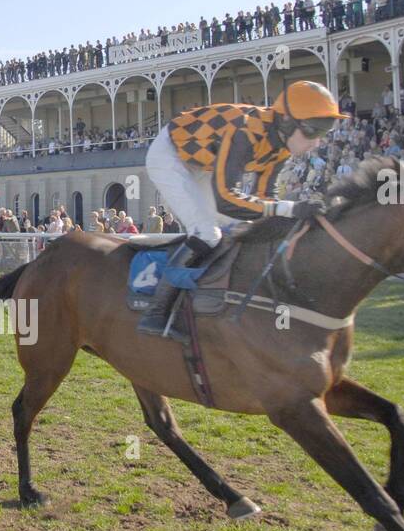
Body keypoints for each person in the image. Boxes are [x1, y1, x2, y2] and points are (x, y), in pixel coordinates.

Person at [137, 80, 346, 342]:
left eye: (323, 132)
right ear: (286, 122)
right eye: (313, 131)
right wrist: (291, 208)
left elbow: (263, 200)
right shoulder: (245, 130)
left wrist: (296, 215)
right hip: (169, 155)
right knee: (207, 233)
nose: (316, 143)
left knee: (231, 231)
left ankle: (213, 298)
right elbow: (227, 199)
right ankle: (156, 312)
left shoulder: (280, 147)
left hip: (202, 164)